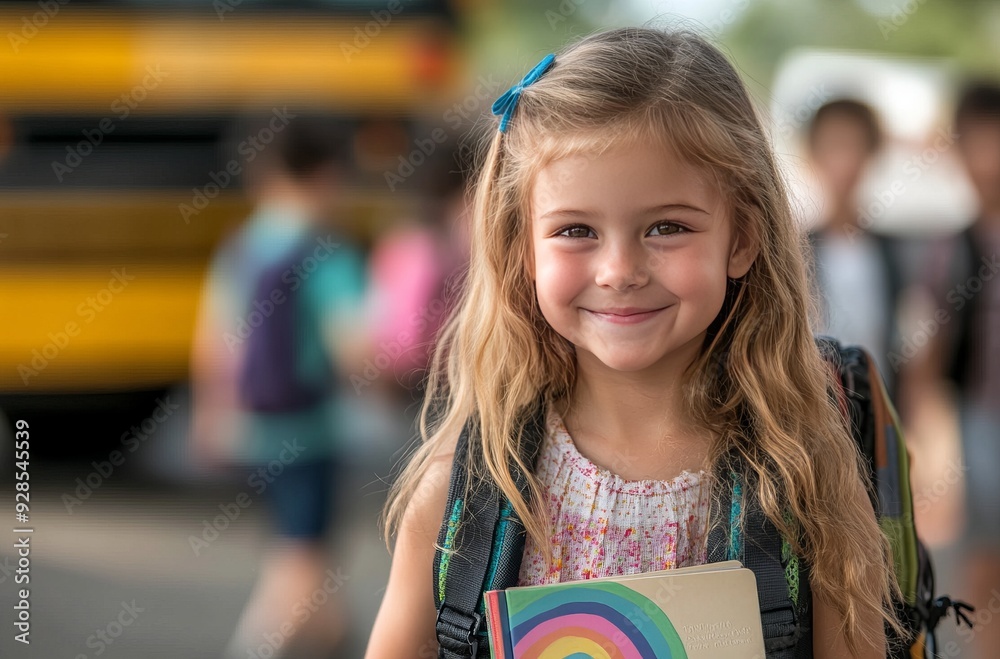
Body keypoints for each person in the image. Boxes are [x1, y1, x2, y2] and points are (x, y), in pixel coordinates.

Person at [365, 27, 904, 658]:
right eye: (575, 230)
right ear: (521, 252)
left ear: (741, 240)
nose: (619, 270)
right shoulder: (466, 493)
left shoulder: (805, 477)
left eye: (667, 226)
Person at [189, 115, 369, 659]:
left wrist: (209, 414)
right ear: (326, 173)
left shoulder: (243, 245)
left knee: (305, 546)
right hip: (308, 430)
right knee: (300, 553)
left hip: (251, 426)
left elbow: (213, 339)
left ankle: (338, 639)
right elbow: (355, 346)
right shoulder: (326, 251)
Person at [904, 80, 1000, 659]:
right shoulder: (951, 247)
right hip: (979, 426)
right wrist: (928, 440)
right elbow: (926, 353)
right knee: (982, 557)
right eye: (976, 141)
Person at [804, 99, 904, 395]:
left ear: (872, 154)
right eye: (834, 146)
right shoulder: (795, 251)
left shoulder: (892, 251)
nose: (845, 162)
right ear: (813, 154)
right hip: (818, 401)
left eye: (855, 146)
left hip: (878, 401)